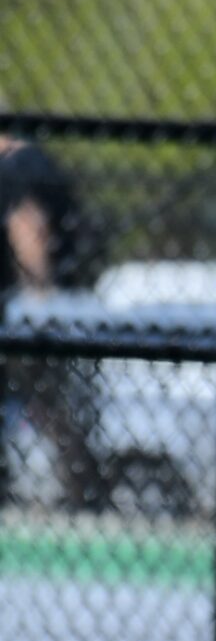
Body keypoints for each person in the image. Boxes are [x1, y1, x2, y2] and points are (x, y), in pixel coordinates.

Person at [0, 134, 102, 511]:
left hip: (30, 308)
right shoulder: (38, 158)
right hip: (47, 302)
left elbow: (29, 225)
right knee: (50, 406)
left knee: (46, 403)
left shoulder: (17, 166)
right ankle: (82, 489)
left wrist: (36, 294)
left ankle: (81, 492)